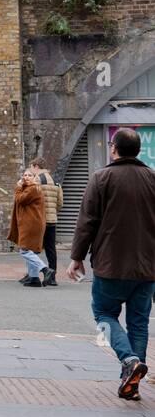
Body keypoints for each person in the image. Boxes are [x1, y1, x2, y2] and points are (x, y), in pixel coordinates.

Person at [67, 127, 155, 400]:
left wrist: (76, 257)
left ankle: (129, 361)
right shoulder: (153, 179)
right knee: (139, 323)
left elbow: (87, 221)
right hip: (147, 268)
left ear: (114, 149)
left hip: (111, 265)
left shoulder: (102, 177)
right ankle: (132, 384)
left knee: (103, 316)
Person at [8, 168, 52, 287]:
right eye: (24, 175)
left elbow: (21, 199)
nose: (26, 177)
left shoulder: (33, 188)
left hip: (31, 224)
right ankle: (34, 278)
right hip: (31, 223)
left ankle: (45, 269)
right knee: (30, 249)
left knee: (25, 250)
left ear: (34, 178)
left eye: (29, 175)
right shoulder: (30, 188)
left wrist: (18, 188)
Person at [28, 156, 64, 280]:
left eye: (31, 168)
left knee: (33, 248)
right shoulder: (55, 181)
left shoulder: (37, 180)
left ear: (36, 166)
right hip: (52, 220)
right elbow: (60, 203)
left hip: (39, 220)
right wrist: (53, 212)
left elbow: (31, 198)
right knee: (51, 249)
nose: (31, 171)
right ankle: (52, 278)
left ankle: (33, 276)